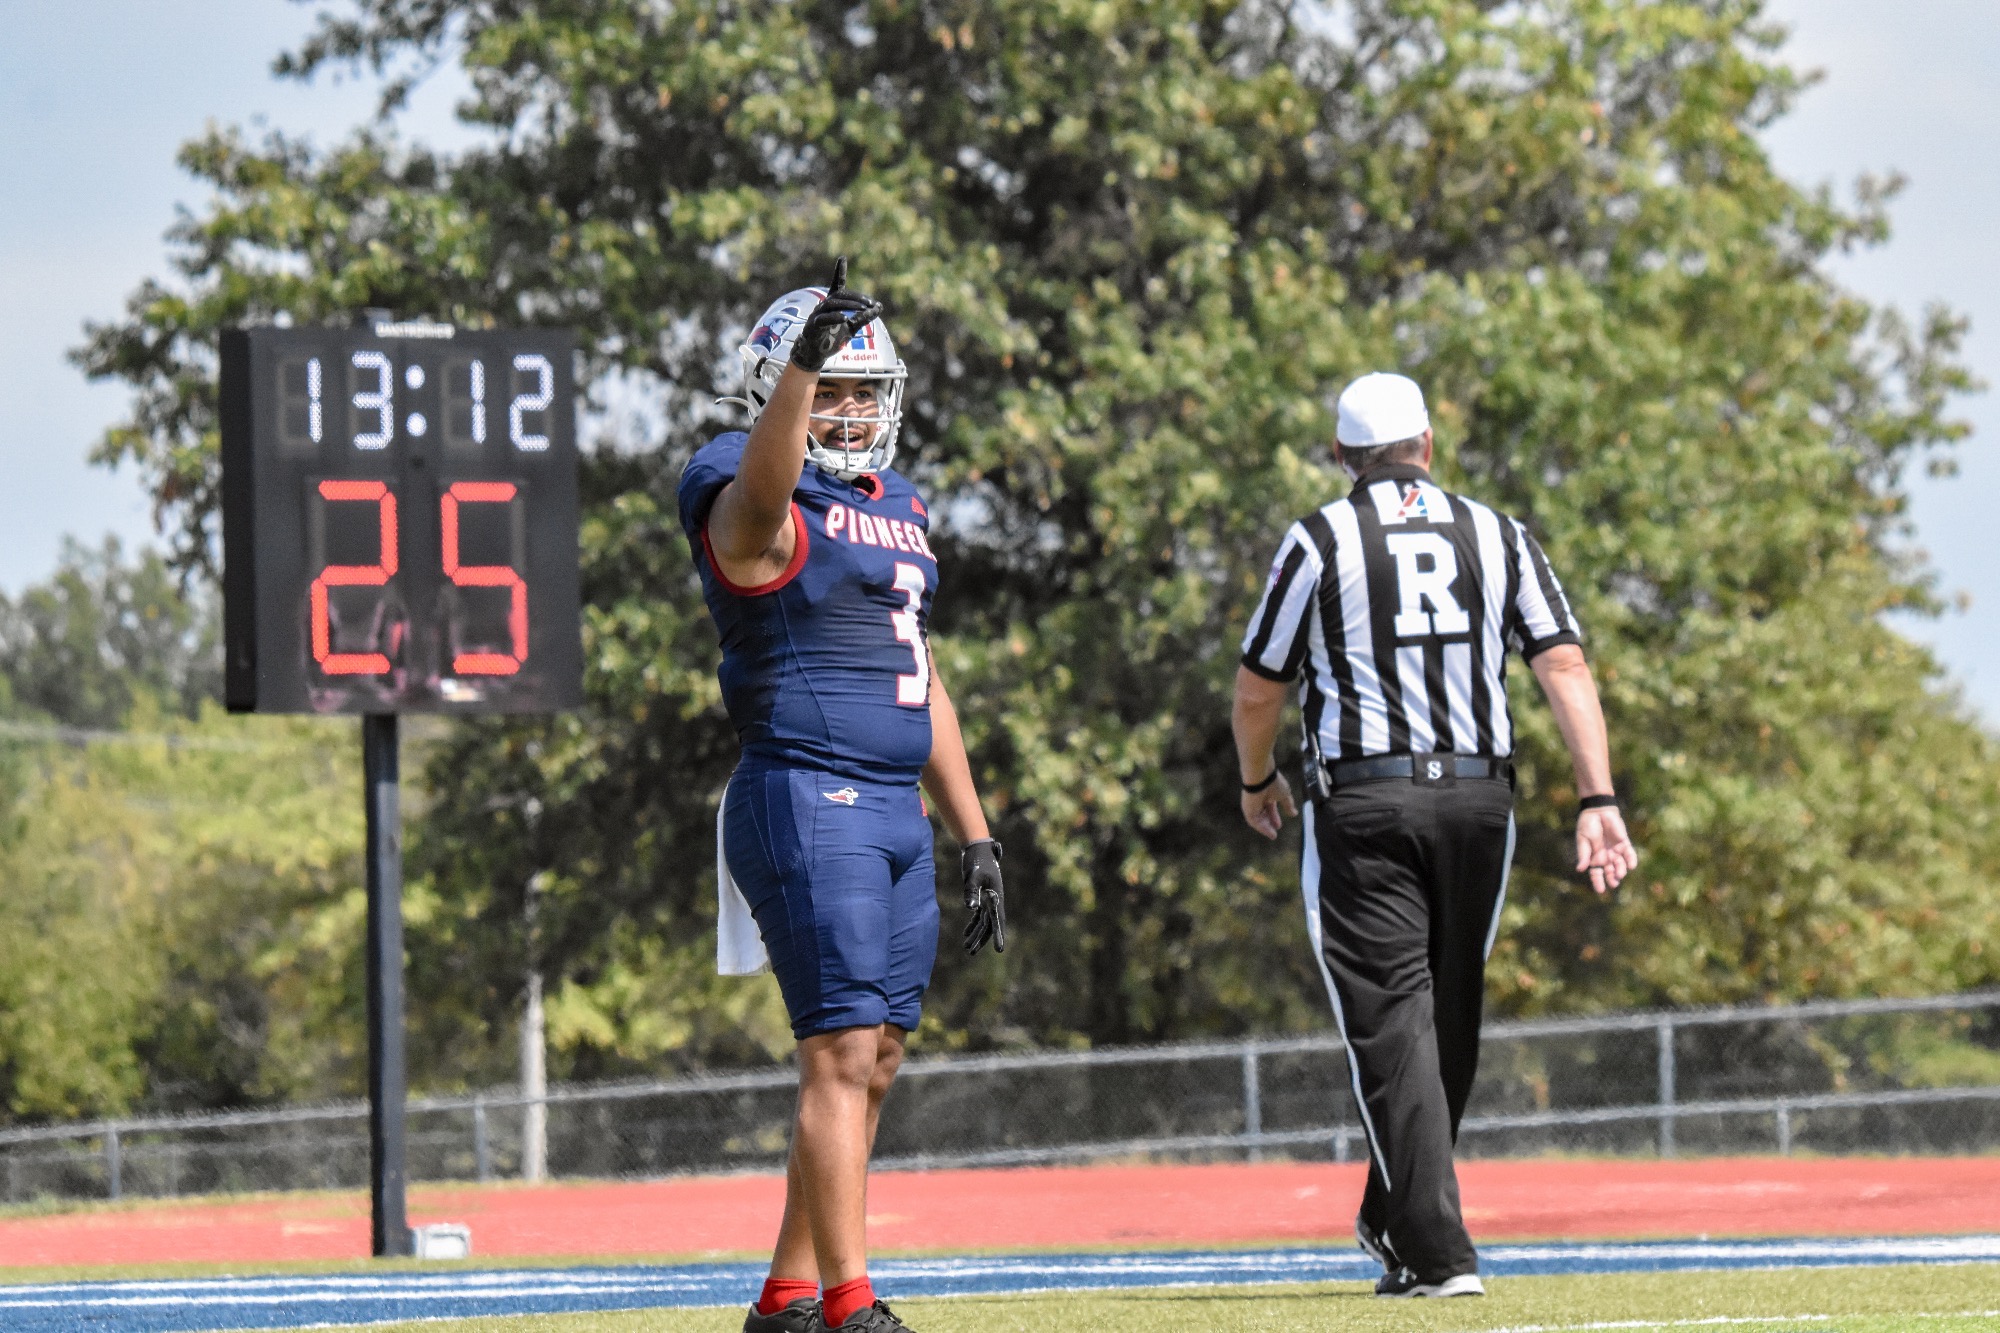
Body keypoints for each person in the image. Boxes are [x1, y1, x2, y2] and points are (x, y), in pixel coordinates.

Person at [1230, 371, 1638, 1298]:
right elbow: (1563, 662)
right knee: (1444, 1013)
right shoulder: (1499, 532)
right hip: (1480, 800)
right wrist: (1597, 795)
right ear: (1428, 444)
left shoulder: (1320, 537)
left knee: (1392, 1021)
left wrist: (1257, 777)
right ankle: (1397, 1214)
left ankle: (1439, 1251)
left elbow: (1259, 687)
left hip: (1367, 804)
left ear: (1340, 455)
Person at [679, 259, 1006, 1333]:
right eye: (831, 387)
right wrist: (799, 377)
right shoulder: (736, 475)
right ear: (779, 385)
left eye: (866, 389)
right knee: (839, 1050)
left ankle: (783, 1295)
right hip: (808, 792)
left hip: (897, 811)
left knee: (880, 1059)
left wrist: (975, 832)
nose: (853, 409)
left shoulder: (899, 503)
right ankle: (847, 1304)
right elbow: (756, 513)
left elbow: (923, 673)